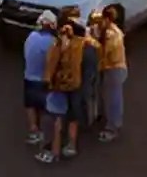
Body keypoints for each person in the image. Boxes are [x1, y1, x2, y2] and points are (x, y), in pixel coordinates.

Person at [37, 21, 86, 163]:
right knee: (71, 118)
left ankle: (53, 152)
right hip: (74, 86)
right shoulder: (81, 45)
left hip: (59, 88)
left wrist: (49, 82)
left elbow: (51, 67)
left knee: (54, 120)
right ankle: (70, 145)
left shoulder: (57, 46)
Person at [23, 10, 58, 146]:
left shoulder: (31, 37)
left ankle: (33, 131)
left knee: (30, 105)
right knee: (46, 108)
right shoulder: (52, 42)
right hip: (43, 79)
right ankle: (47, 134)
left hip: (29, 76)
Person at [97, 6, 128, 143]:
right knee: (107, 96)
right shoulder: (108, 31)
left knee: (113, 99)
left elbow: (104, 52)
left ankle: (113, 127)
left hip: (114, 69)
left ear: (107, 19)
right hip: (109, 68)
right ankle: (107, 119)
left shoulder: (113, 35)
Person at [81, 11, 103, 131]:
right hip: (95, 61)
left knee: (87, 89)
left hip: (88, 60)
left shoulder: (85, 34)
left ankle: (89, 117)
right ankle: (95, 114)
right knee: (95, 88)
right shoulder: (97, 32)